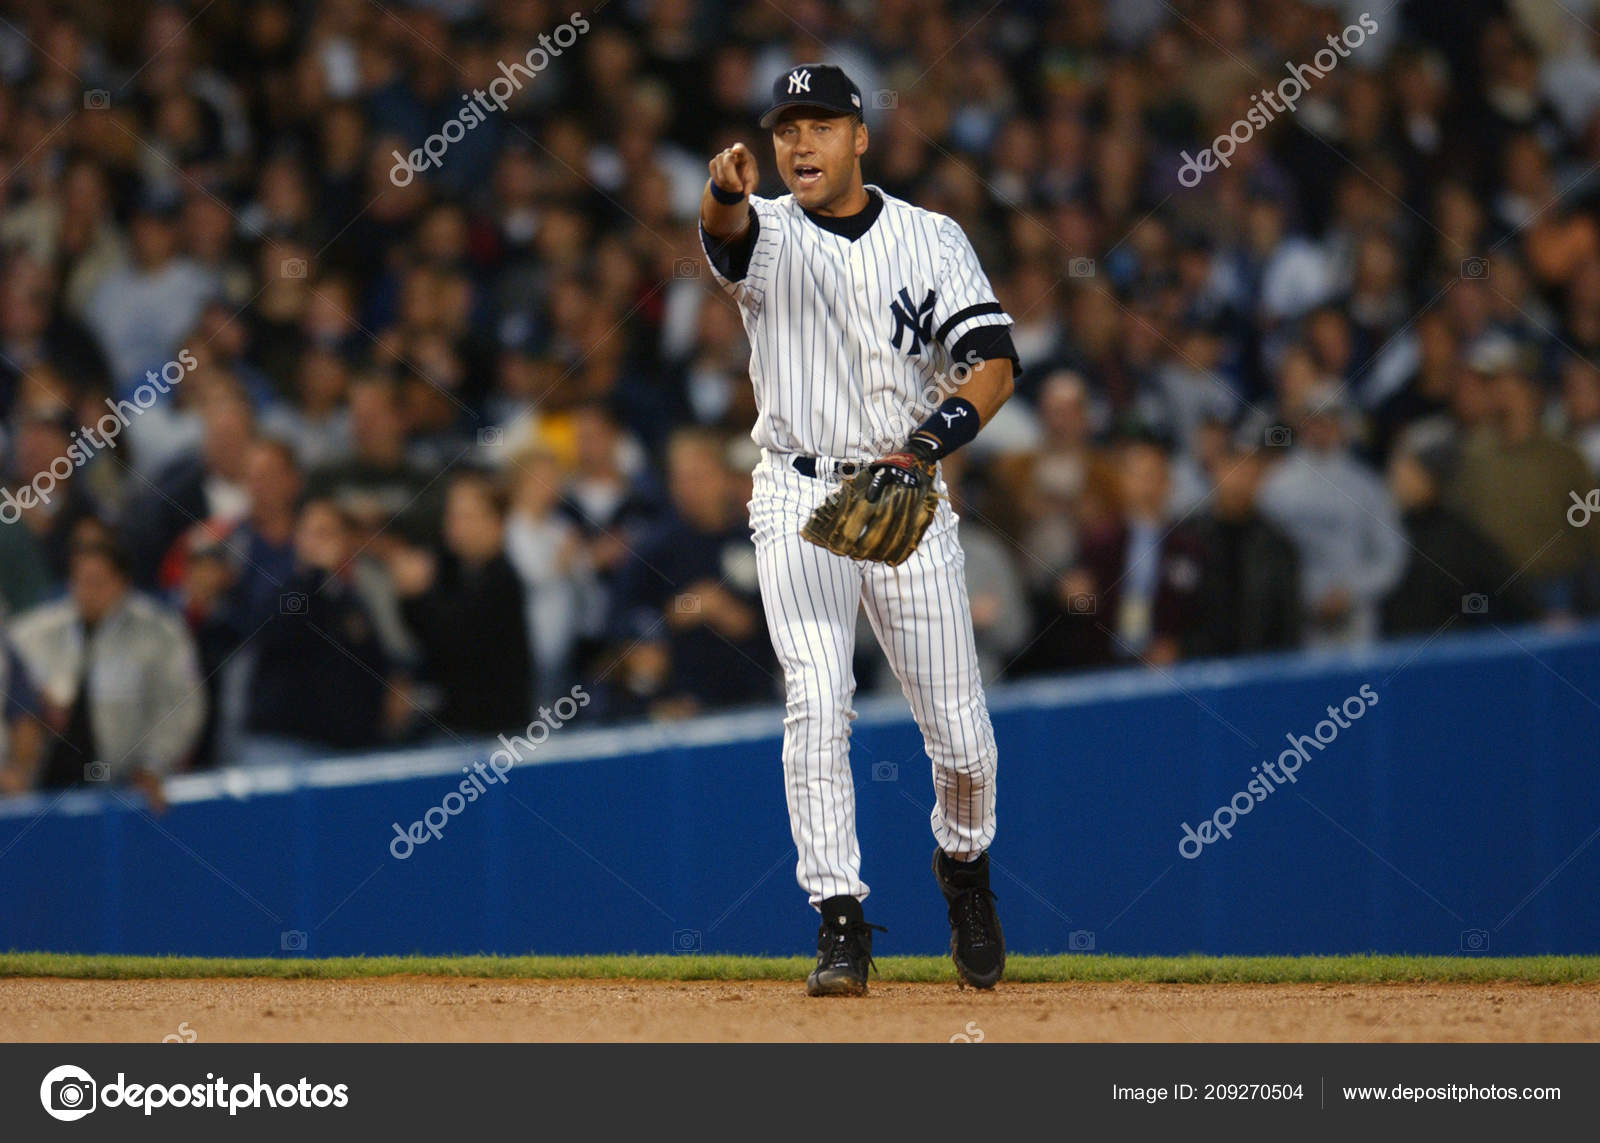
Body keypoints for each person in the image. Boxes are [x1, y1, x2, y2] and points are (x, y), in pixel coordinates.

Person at [699, 64, 1018, 995]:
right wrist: (724, 191)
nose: (800, 143)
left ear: (860, 137)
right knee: (816, 698)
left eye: (821, 125)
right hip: (797, 494)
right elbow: (725, 230)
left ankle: (964, 867)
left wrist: (922, 448)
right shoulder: (767, 230)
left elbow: (993, 365)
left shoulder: (932, 236)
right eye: (786, 129)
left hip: (904, 490)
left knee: (962, 739)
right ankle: (839, 917)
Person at [8, 542, 205, 809]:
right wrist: (36, 703)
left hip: (123, 783)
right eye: (79, 581)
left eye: (97, 582)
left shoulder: (159, 633)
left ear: (122, 583)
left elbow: (182, 706)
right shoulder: (36, 632)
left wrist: (153, 763)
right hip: (45, 780)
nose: (87, 592)